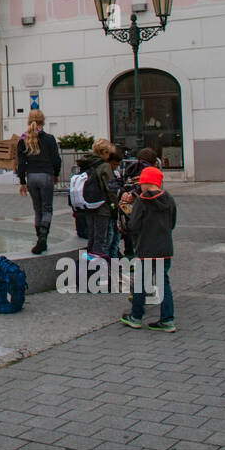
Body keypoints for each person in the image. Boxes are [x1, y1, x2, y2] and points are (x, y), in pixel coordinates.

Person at [119, 166, 177, 332]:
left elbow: (134, 225)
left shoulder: (142, 201)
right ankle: (167, 319)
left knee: (141, 283)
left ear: (146, 182)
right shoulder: (169, 199)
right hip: (165, 248)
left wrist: (128, 213)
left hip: (146, 249)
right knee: (163, 284)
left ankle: (136, 316)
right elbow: (172, 223)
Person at [16, 109, 61, 255]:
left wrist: (22, 181)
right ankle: (43, 238)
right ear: (44, 121)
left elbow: (21, 164)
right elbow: (56, 159)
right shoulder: (49, 138)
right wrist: (56, 173)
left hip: (32, 177)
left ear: (29, 121)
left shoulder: (23, 140)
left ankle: (40, 239)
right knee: (47, 208)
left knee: (37, 209)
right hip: (46, 175)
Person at [76, 138, 121, 259]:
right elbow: (111, 189)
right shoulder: (104, 166)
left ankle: (89, 266)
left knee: (92, 237)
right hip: (102, 207)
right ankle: (100, 269)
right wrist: (115, 206)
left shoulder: (86, 163)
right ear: (104, 152)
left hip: (89, 205)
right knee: (102, 239)